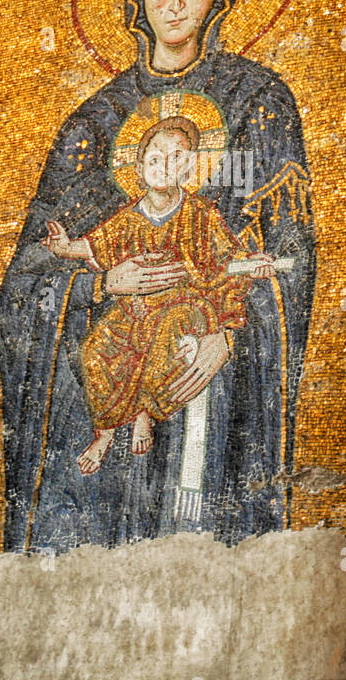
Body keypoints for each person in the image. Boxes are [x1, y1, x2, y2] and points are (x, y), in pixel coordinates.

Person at [0, 0, 315, 553]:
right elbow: (22, 288)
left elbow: (289, 258)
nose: (175, 0)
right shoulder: (93, 124)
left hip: (207, 371)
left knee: (192, 532)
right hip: (110, 368)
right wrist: (99, 282)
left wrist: (230, 333)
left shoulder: (258, 103)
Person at [42, 115, 276, 474]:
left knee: (167, 334)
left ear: (190, 167)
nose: (163, 166)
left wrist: (253, 264)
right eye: (154, 159)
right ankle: (104, 431)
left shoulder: (201, 213)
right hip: (135, 309)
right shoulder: (128, 218)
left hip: (187, 304)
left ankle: (144, 412)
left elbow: (228, 258)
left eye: (175, 157)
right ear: (138, 168)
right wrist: (65, 247)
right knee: (96, 349)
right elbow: (93, 244)